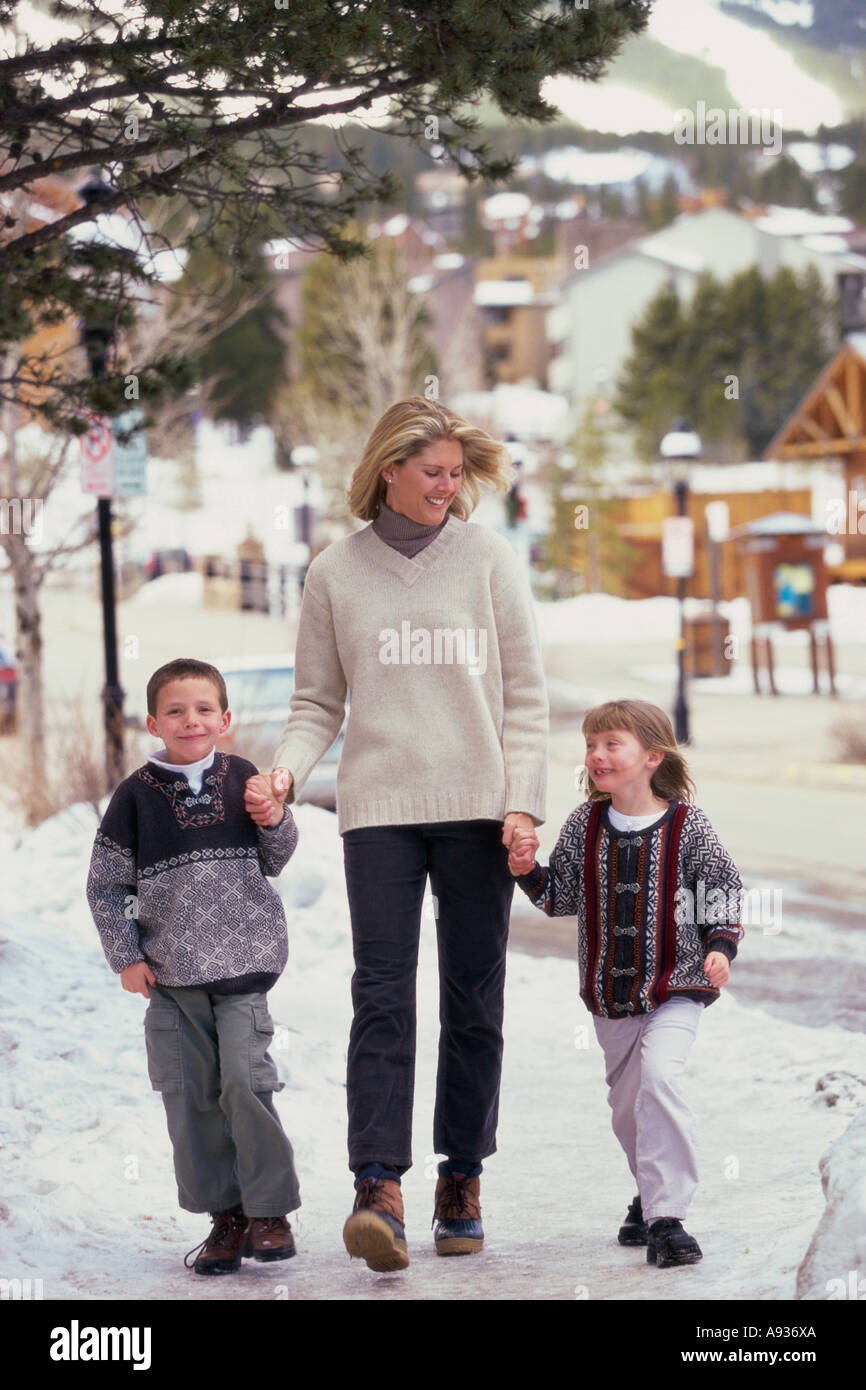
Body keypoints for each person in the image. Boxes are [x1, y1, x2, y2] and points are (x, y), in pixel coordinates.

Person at [263, 396, 548, 1272]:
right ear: (388, 469)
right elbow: (317, 701)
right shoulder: (334, 573)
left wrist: (522, 802)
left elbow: (526, 698)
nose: (447, 488)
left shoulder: (489, 560)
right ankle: (377, 1184)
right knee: (381, 994)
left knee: (474, 998)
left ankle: (461, 1175)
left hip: (475, 812)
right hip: (378, 813)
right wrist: (285, 772)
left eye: (458, 475)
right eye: (433, 473)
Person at [507, 698, 744, 1269]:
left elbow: (722, 890)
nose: (597, 755)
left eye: (613, 743)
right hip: (611, 998)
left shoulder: (689, 826)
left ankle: (668, 1218)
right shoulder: (584, 824)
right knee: (626, 1108)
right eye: (591, 744)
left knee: (660, 1080)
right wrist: (527, 871)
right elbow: (560, 897)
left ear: (650, 757)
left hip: (678, 984)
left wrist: (719, 947)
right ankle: (649, 1189)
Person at [86, 657, 301, 1275]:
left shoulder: (245, 780)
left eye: (204, 709)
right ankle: (225, 1217)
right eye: (176, 711)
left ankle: (268, 1211)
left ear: (225, 719)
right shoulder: (134, 798)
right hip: (172, 982)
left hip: (243, 971)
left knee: (245, 1081)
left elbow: (278, 856)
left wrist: (276, 816)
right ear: (153, 722)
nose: (191, 720)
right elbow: (106, 885)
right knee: (190, 1099)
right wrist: (125, 954)